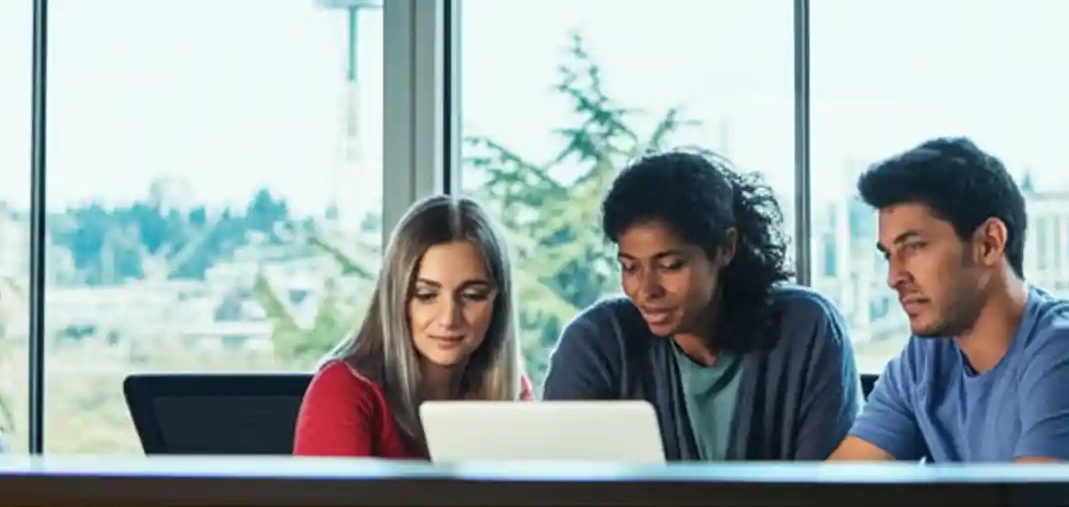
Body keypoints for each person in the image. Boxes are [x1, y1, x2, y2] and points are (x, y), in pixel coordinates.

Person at [828, 137, 1069, 464]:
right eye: (889, 254)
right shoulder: (924, 361)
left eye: (914, 247)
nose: (894, 276)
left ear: (989, 243)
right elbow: (829, 495)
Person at [543, 149, 863, 461]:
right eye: (630, 267)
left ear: (725, 248)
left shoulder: (806, 329)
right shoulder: (597, 342)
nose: (645, 290)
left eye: (670, 265)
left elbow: (826, 491)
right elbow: (564, 487)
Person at [293, 195, 531, 458]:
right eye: (426, 295)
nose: (448, 318)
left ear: (499, 303)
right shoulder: (342, 392)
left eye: (472, 295)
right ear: (397, 298)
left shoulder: (512, 393)